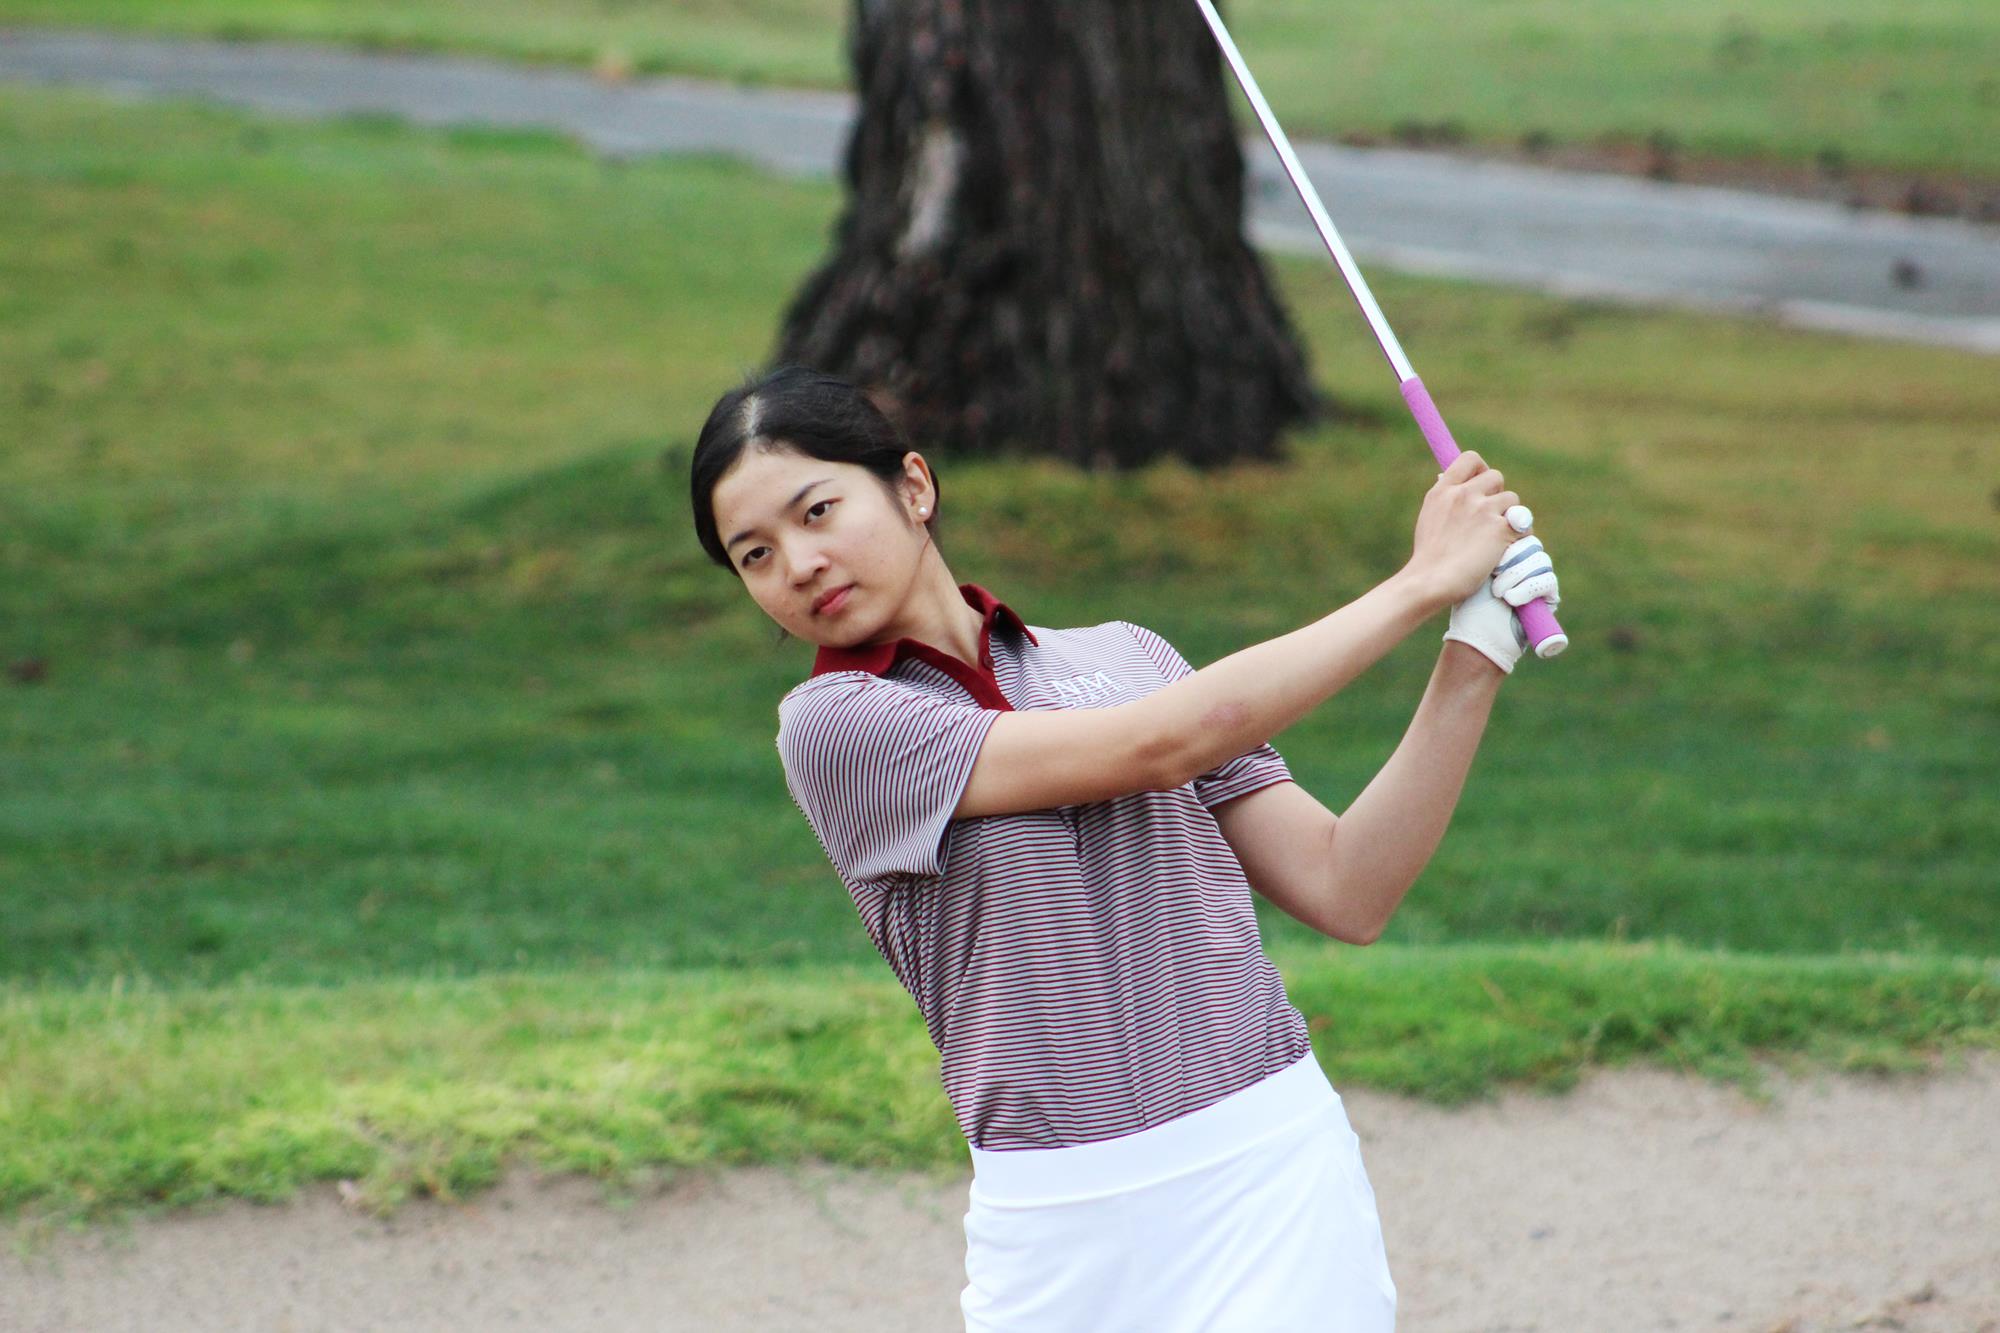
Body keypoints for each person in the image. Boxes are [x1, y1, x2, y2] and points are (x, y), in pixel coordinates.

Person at [689, 363, 1560, 1331]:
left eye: (816, 511)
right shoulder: (837, 727)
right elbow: (1158, 747)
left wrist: (1473, 647)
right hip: (1062, 1225)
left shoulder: (1128, 657)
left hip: (1270, 1171)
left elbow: (1344, 885)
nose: (797, 563)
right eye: (754, 555)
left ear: (913, 487)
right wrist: (1414, 584)